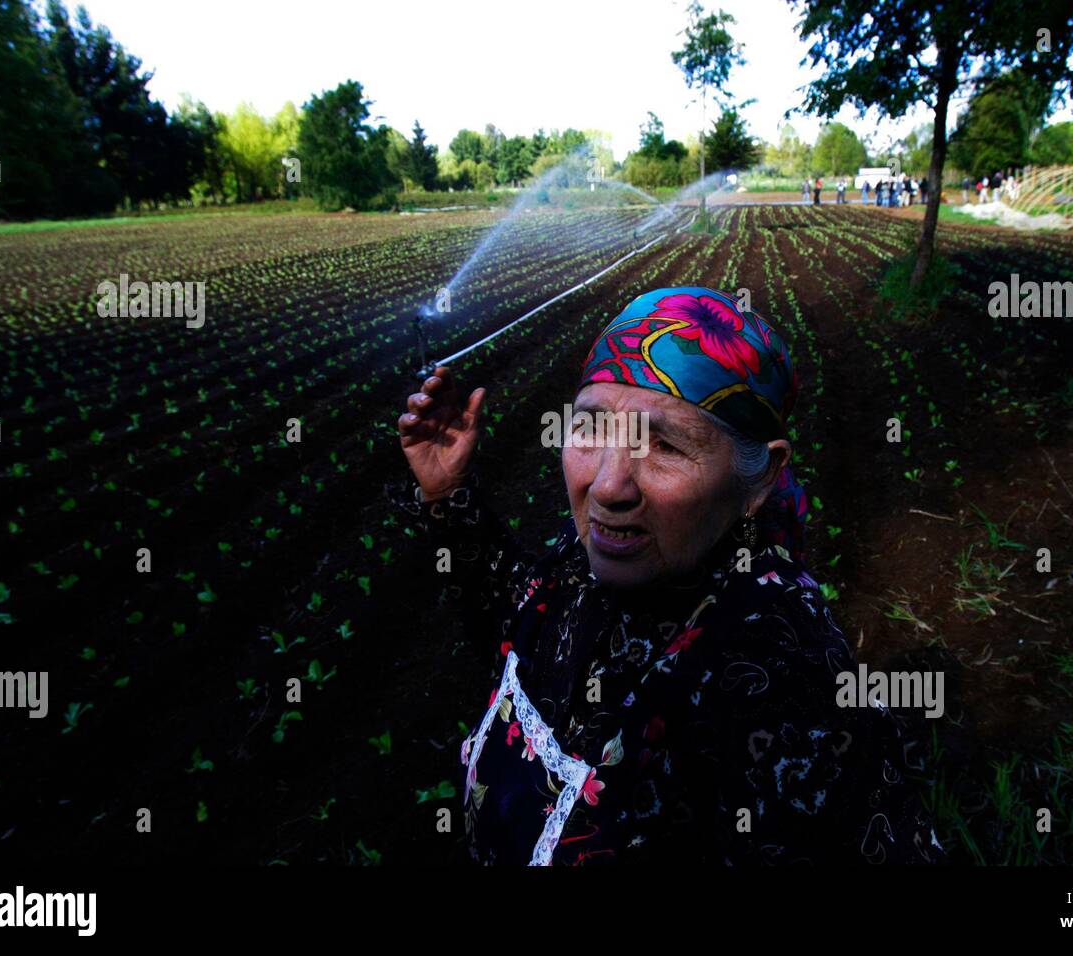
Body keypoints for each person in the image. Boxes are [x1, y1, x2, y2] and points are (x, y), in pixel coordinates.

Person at [394, 287, 946, 867]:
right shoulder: (597, 551)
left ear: (759, 479)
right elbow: (528, 625)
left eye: (665, 445)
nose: (608, 486)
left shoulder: (782, 677)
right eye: (591, 428)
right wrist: (447, 495)